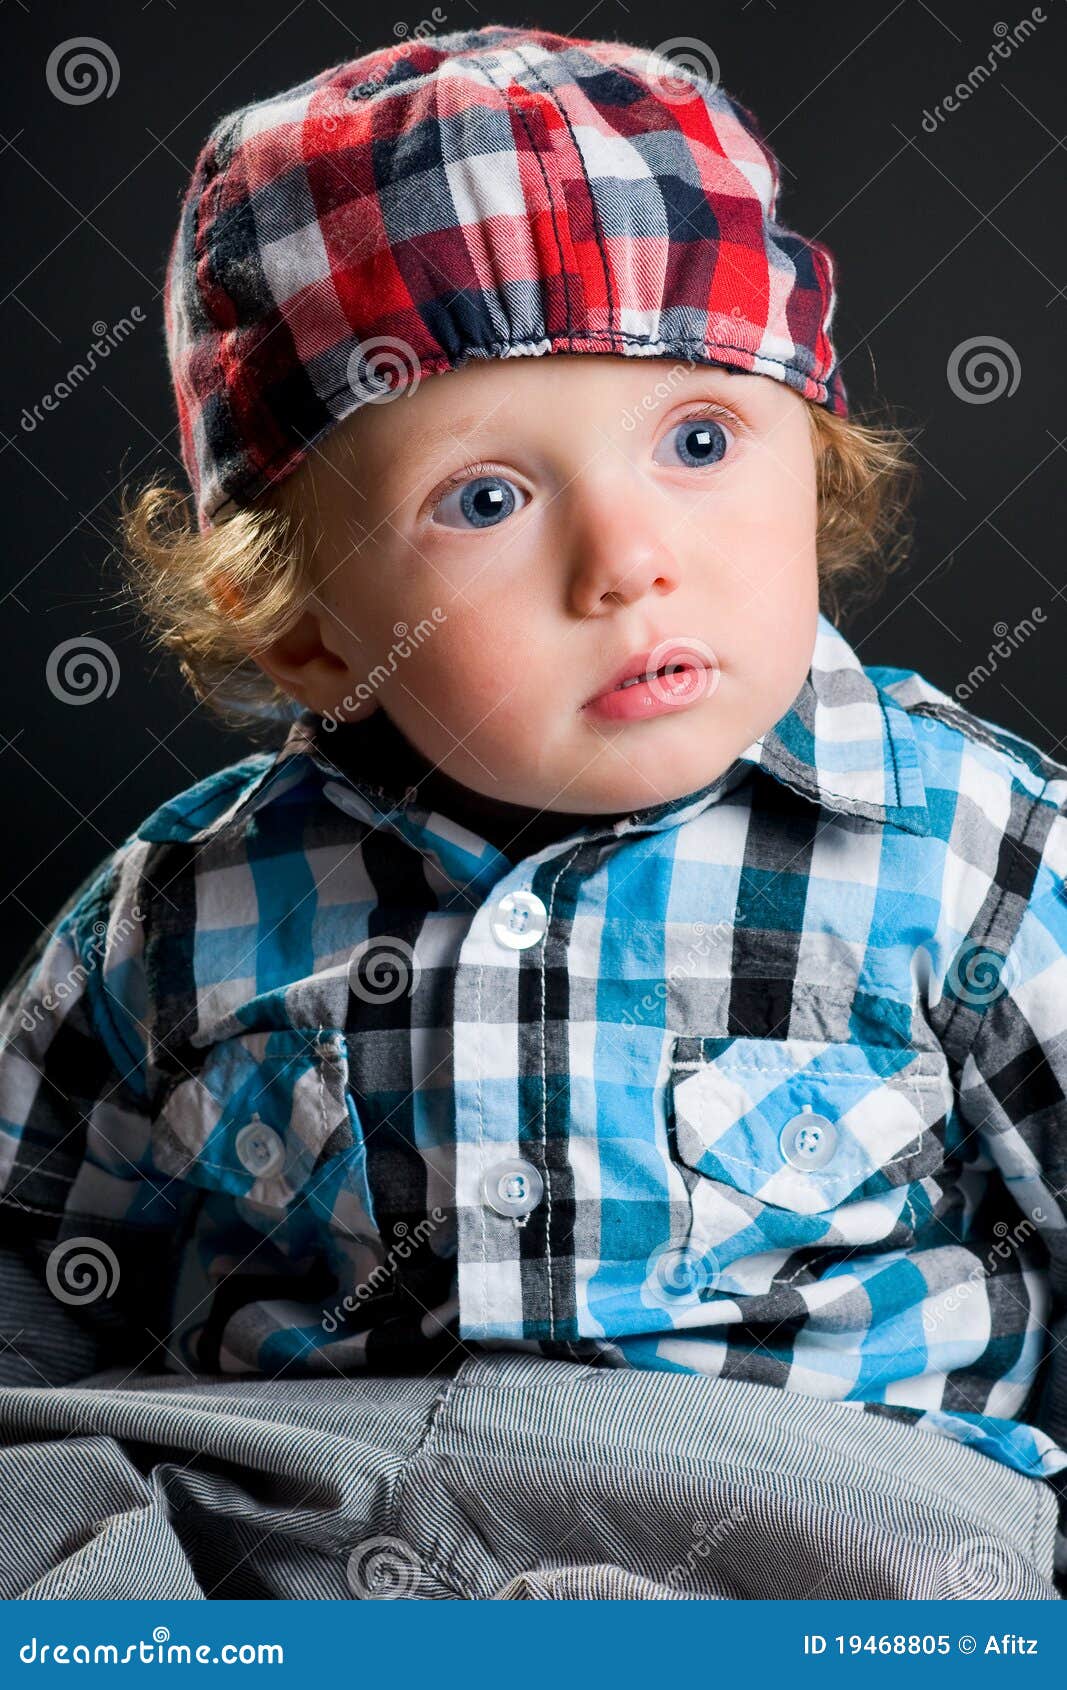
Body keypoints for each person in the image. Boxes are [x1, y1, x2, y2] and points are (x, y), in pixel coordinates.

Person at [1, 22, 1065, 1596]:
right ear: (308, 623)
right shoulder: (188, 910)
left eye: (699, 440)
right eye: (486, 499)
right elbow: (38, 1277)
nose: (627, 559)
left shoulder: (973, 848)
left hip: (800, 1525)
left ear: (814, 465)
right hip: (320, 1521)